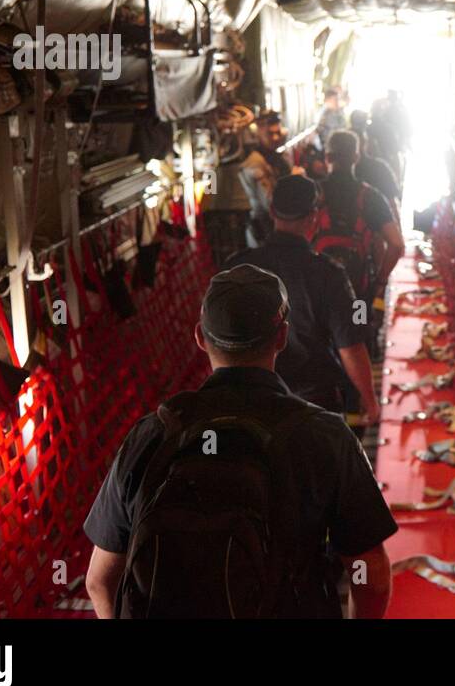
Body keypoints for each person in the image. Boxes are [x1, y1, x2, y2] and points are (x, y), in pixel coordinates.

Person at [83, 264, 396, 619]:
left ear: (200, 337)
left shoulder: (151, 434)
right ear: (282, 337)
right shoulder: (325, 436)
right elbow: (371, 574)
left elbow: (99, 581)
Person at [225, 175, 380, 422]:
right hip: (314, 404)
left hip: (250, 403)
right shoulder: (329, 273)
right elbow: (350, 346)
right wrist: (369, 400)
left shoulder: (237, 266)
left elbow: (219, 339)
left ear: (272, 210)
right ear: (313, 218)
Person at [320, 130, 406, 365]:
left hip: (318, 293)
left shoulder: (313, 194)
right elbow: (397, 244)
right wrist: (379, 283)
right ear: (356, 157)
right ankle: (358, 394)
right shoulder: (370, 197)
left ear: (327, 157)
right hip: (359, 293)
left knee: (322, 343)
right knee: (359, 337)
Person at [239, 110, 292, 247]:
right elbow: (269, 203)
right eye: (270, 133)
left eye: (278, 133)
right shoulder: (255, 164)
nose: (275, 138)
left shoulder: (276, 158)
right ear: (258, 133)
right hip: (264, 231)